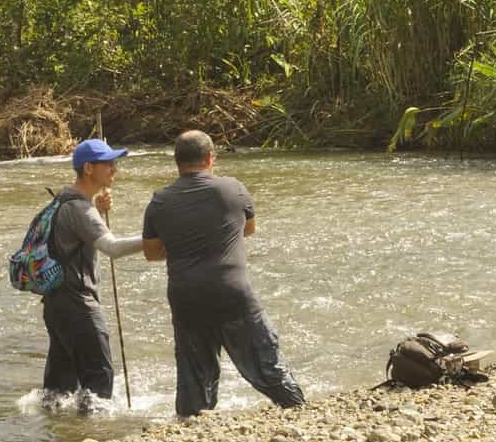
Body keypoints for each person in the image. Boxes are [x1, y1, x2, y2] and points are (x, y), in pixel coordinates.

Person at [142, 130, 305, 417]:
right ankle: (299, 411)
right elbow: (249, 228)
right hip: (231, 292)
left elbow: (151, 252)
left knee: (195, 379)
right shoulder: (232, 188)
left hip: (186, 298)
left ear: (177, 163)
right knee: (268, 366)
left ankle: (191, 426)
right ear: (209, 158)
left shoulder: (160, 201)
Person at [42, 138, 143, 411]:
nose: (115, 169)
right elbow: (112, 248)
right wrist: (156, 239)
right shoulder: (80, 208)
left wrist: (97, 211)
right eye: (108, 163)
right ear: (88, 168)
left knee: (57, 393)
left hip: (56, 304)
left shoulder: (65, 199)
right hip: (79, 305)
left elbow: (72, 235)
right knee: (99, 381)